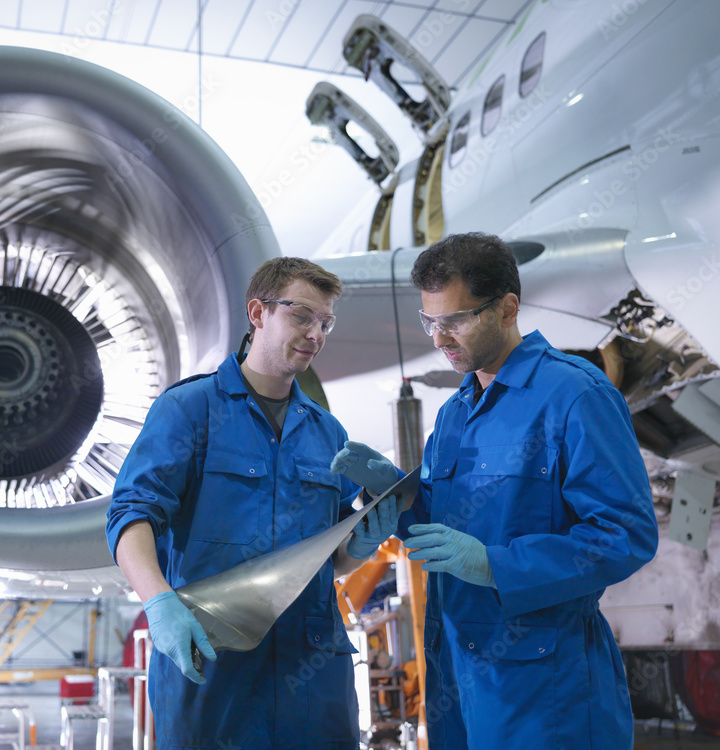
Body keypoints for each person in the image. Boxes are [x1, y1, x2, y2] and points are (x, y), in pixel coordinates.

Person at [331, 232, 659, 749]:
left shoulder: (575, 396)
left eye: (455, 320)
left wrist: (496, 565)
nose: (439, 338)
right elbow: (441, 532)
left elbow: (627, 535)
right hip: (457, 680)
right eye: (429, 321)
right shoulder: (455, 413)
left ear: (508, 308)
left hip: (548, 691)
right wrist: (396, 499)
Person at [106, 256, 402, 749]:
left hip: (313, 675)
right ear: (258, 312)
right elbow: (131, 514)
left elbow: (331, 562)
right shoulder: (190, 410)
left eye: (325, 322)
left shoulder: (327, 432)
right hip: (215, 666)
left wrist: (363, 539)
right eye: (302, 315)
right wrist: (159, 602)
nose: (316, 333)